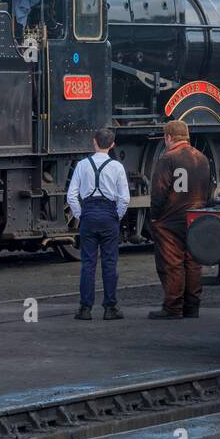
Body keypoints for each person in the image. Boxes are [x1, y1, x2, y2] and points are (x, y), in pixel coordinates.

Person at [148, 120, 213, 320]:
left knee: (172, 263)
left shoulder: (167, 159)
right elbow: (208, 189)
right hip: (196, 216)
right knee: (193, 262)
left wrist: (154, 216)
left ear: (168, 137)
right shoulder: (202, 158)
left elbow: (159, 191)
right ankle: (192, 307)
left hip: (171, 219)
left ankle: (173, 307)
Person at [66, 128, 130, 321]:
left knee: (88, 264)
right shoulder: (117, 167)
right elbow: (124, 199)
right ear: (112, 145)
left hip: (89, 214)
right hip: (109, 215)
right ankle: (110, 308)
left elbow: (71, 195)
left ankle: (85, 309)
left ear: (94, 142)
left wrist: (81, 215)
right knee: (110, 263)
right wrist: (116, 217)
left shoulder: (82, 165)